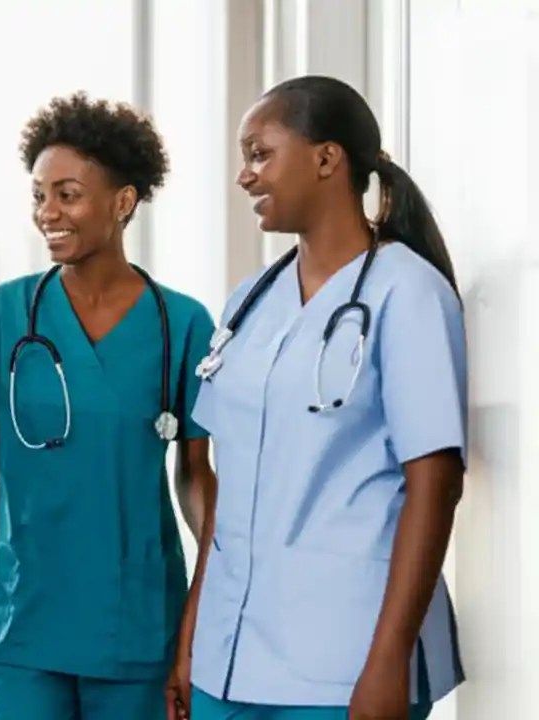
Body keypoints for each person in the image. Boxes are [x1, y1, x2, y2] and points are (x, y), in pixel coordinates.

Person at [182, 75, 466, 720]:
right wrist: (192, 634)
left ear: (326, 159)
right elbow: (226, 490)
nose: (244, 176)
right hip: (229, 657)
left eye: (260, 153)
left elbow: (436, 481)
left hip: (344, 662)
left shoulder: (408, 294)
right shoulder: (250, 301)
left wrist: (389, 659)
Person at [0, 92, 218, 720]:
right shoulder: (10, 312)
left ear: (123, 202)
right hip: (25, 620)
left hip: (136, 622)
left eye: (67, 194)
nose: (48, 213)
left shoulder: (183, 322)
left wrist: (204, 597)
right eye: (39, 195)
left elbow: (196, 475)